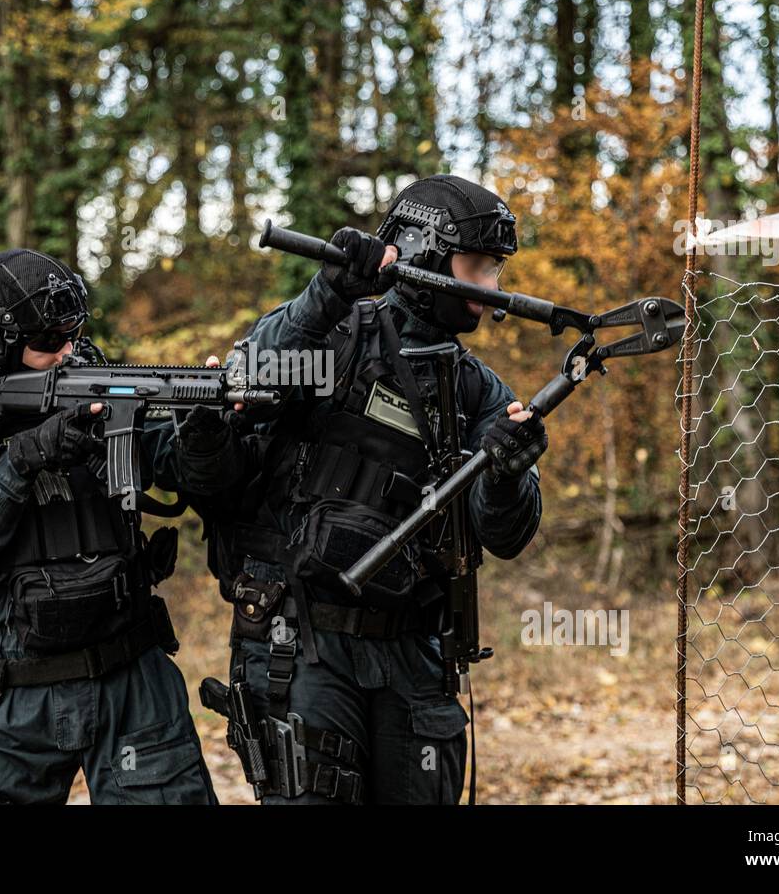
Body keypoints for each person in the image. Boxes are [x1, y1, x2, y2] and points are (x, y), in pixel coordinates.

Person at [204, 175, 546, 804]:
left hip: (413, 655)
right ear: (423, 254)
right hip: (301, 643)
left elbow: (506, 536)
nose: (493, 291)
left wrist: (506, 475)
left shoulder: (479, 392)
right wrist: (324, 297)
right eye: (479, 267)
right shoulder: (330, 337)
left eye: (497, 271)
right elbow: (239, 385)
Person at [0, 248, 220, 804]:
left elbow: (186, 472)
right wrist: (21, 462)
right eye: (50, 341)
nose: (70, 350)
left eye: (74, 333)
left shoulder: (107, 389)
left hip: (130, 679)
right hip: (6, 694)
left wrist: (204, 434)